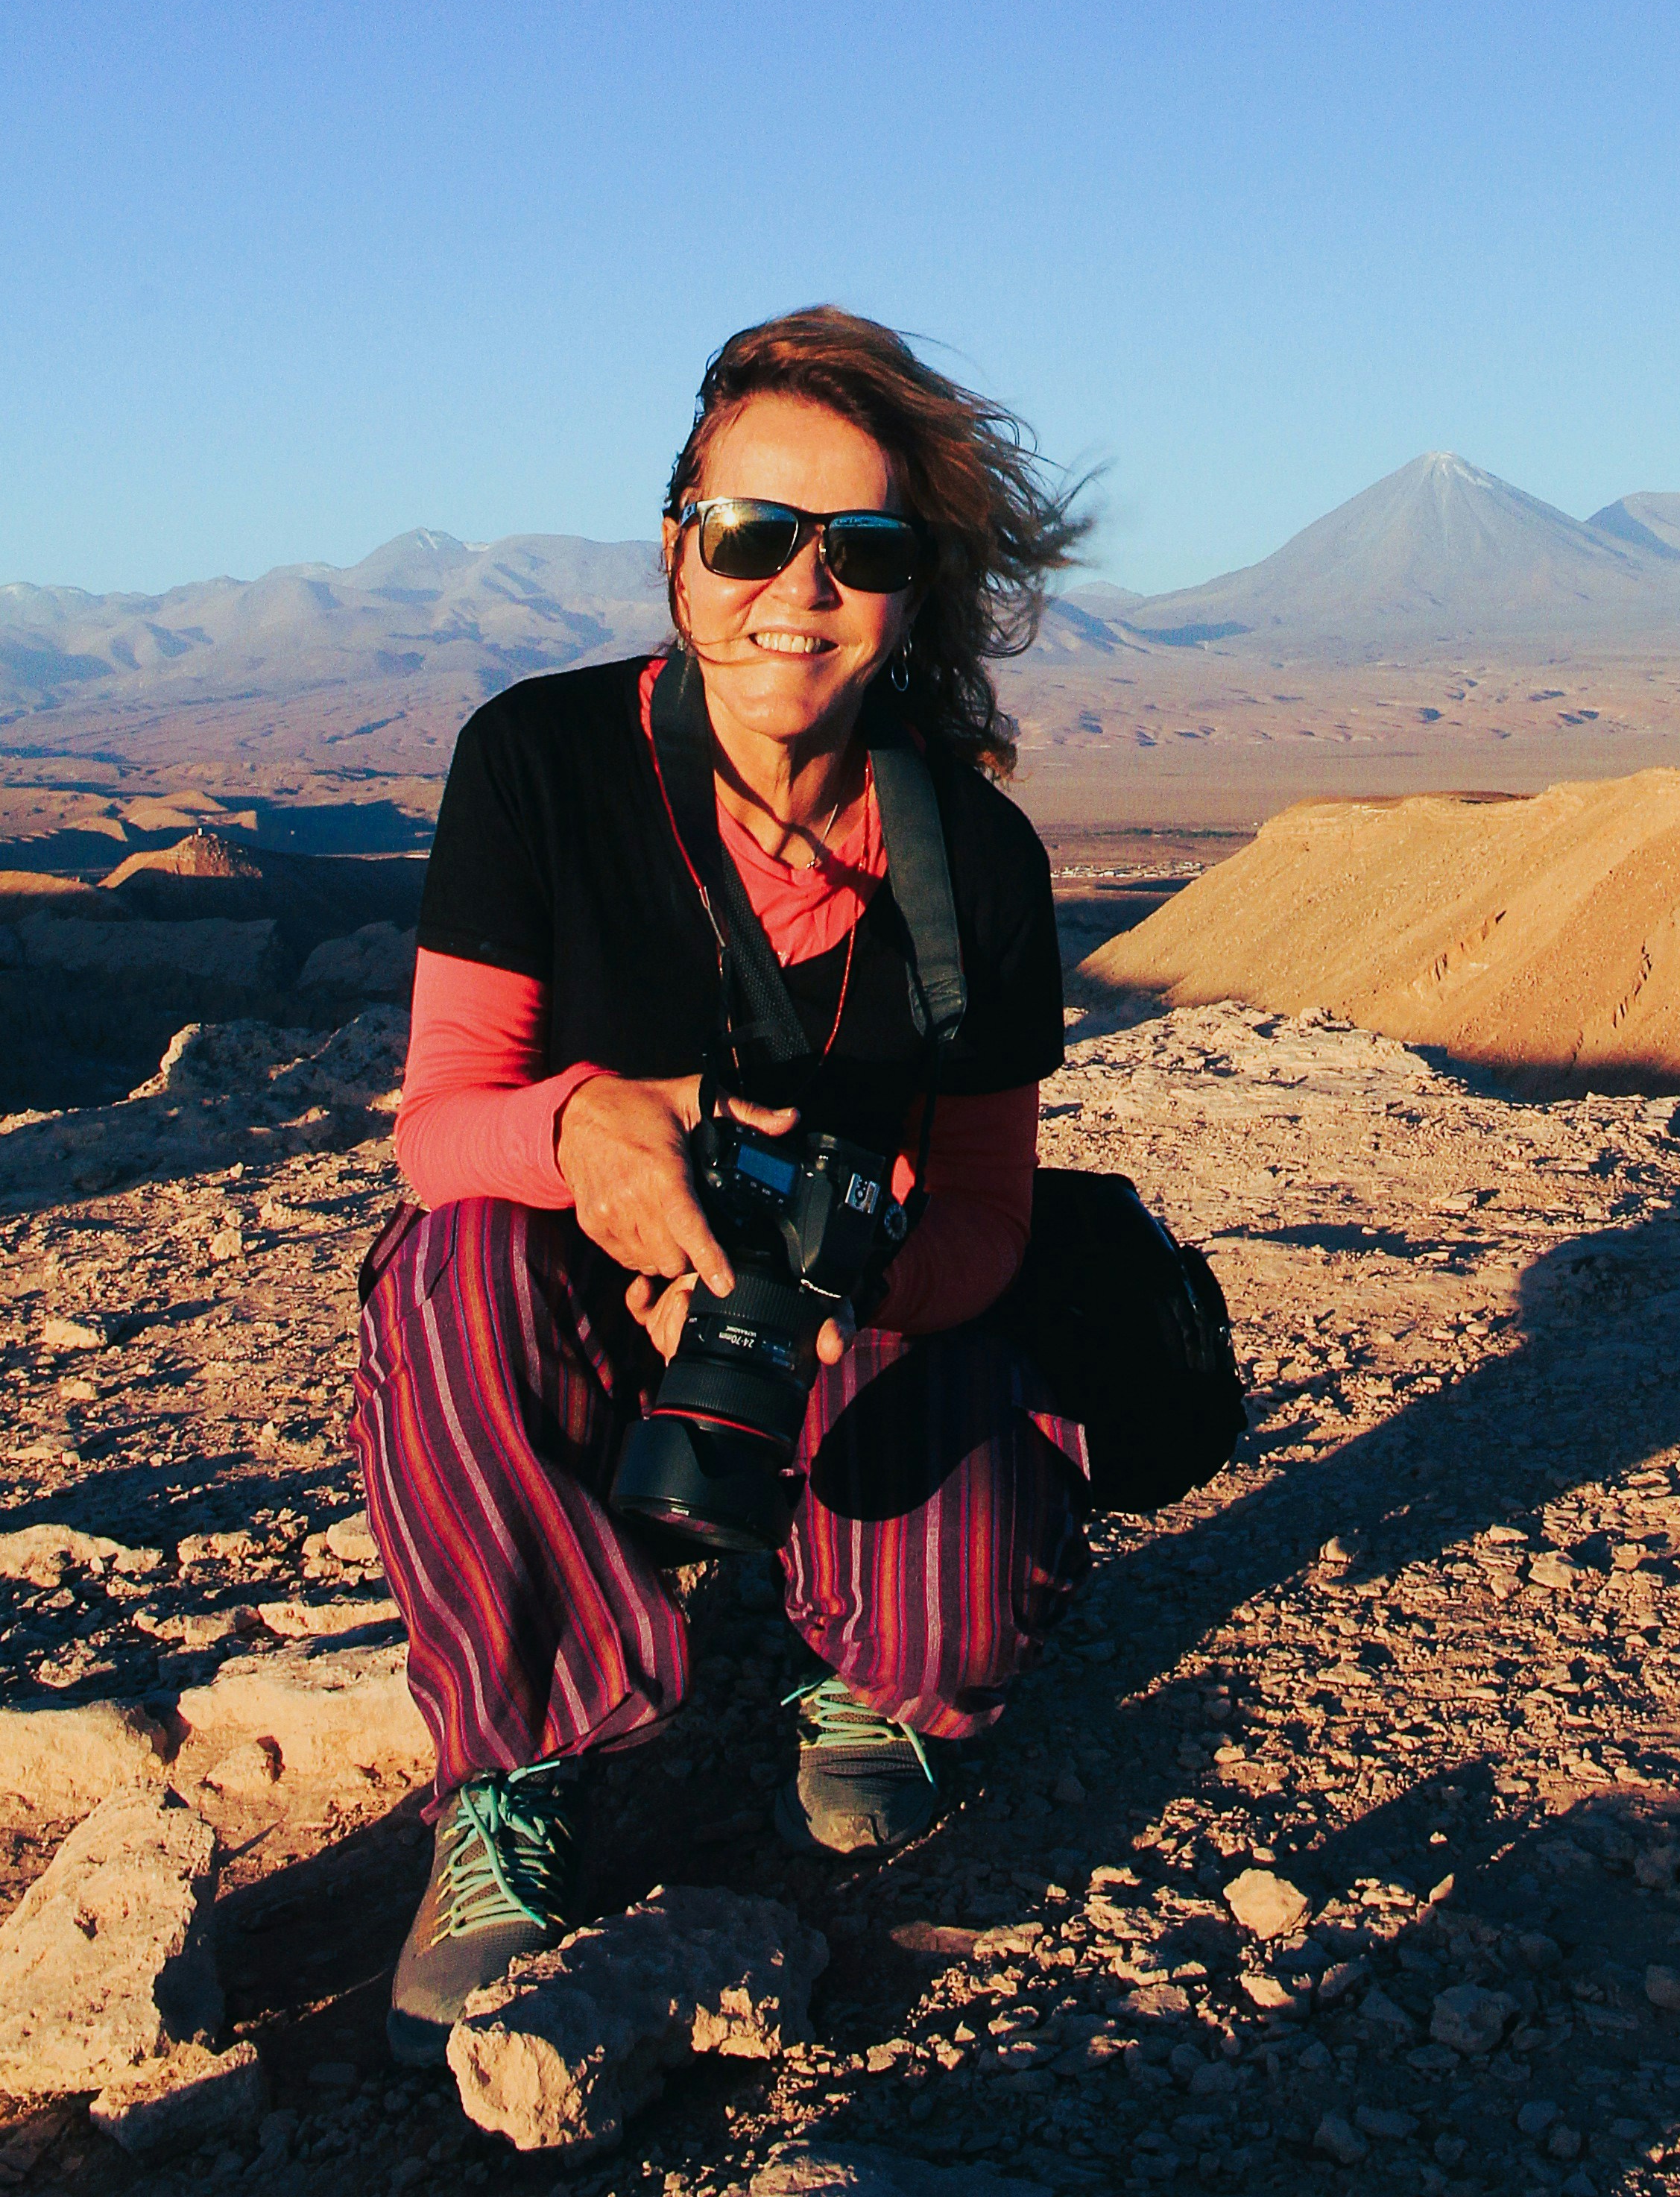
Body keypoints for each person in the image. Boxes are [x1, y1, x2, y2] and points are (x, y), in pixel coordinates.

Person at [354, 308, 1093, 2066]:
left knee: (955, 1586)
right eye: (754, 536)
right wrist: (585, 1132)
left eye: (864, 552)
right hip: (572, 1291)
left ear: (916, 591)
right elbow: (440, 1124)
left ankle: (869, 1660)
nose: (798, 591)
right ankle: (516, 1771)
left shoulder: (972, 855)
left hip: (846, 1320)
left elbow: (992, 1208)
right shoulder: (541, 764)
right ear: (679, 552)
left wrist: (856, 1285)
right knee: (458, 1262)